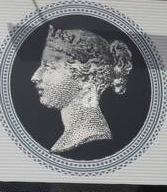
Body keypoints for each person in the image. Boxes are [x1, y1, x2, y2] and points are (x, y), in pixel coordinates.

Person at [30, 25, 134, 154]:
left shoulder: (92, 139)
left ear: (86, 75)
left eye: (49, 67)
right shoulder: (70, 137)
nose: (35, 77)